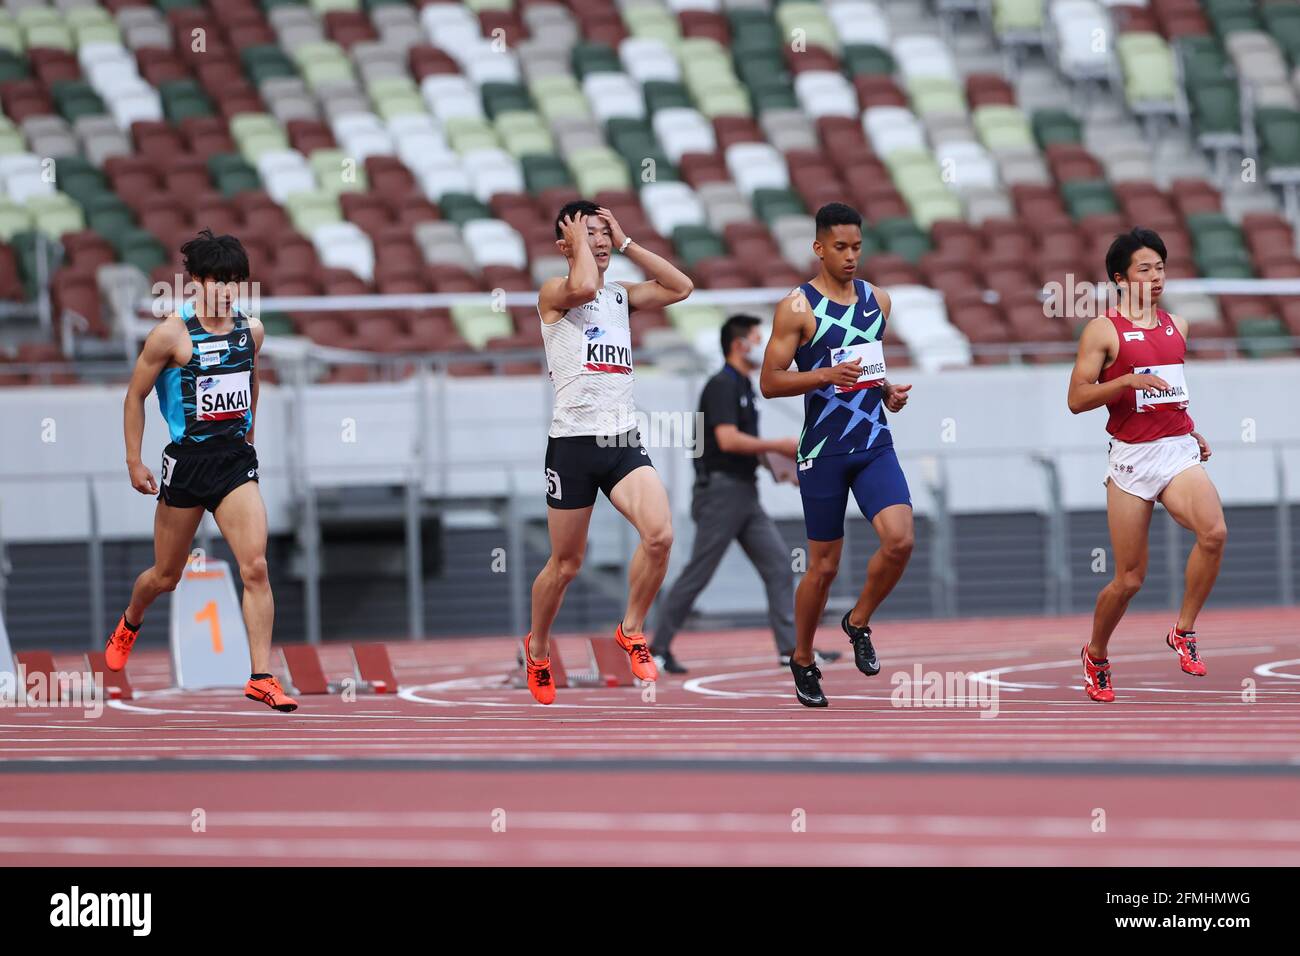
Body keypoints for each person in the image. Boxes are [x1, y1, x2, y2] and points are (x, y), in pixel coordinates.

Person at [105, 230, 296, 712]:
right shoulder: (172, 333)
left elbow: (250, 382)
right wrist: (134, 459)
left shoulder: (250, 330)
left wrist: (249, 437)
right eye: (217, 282)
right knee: (165, 577)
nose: (227, 291)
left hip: (233, 462)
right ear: (195, 282)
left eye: (235, 282)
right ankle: (131, 619)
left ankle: (260, 676)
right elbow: (135, 395)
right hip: (187, 465)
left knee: (255, 567)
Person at [522, 201, 694, 704]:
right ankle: (538, 648)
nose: (598, 240)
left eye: (603, 232)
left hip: (620, 440)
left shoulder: (620, 295)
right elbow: (582, 287)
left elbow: (682, 288)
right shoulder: (555, 292)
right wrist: (579, 247)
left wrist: (627, 243)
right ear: (564, 246)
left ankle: (632, 629)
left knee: (660, 536)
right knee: (567, 564)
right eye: (587, 234)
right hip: (572, 445)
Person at [759, 202, 915, 707]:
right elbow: (770, 382)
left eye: (857, 247)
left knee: (900, 541)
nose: (850, 257)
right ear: (818, 248)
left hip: (873, 442)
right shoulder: (796, 308)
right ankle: (802, 657)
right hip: (824, 450)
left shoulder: (878, 300)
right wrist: (824, 375)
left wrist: (886, 390)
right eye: (840, 248)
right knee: (823, 568)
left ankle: (858, 619)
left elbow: (864, 365)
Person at [1067, 227, 1224, 703]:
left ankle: (1184, 630)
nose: (1156, 277)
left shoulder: (1179, 324)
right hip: (1132, 460)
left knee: (1214, 533)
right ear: (1120, 277)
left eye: (1160, 268)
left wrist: (1189, 427)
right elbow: (1076, 399)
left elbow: (1170, 390)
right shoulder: (1103, 329)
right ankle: (1096, 654)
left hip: (1176, 449)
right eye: (1144, 269)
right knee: (1130, 578)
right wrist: (1126, 381)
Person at [651, 314, 843, 672]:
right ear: (739, 344)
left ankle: (792, 650)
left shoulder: (743, 386)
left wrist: (783, 472)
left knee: (777, 567)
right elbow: (728, 440)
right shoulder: (722, 385)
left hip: (744, 493)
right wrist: (782, 445)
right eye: (757, 338)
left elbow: (749, 448)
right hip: (721, 493)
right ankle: (657, 648)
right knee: (699, 572)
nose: (763, 345)